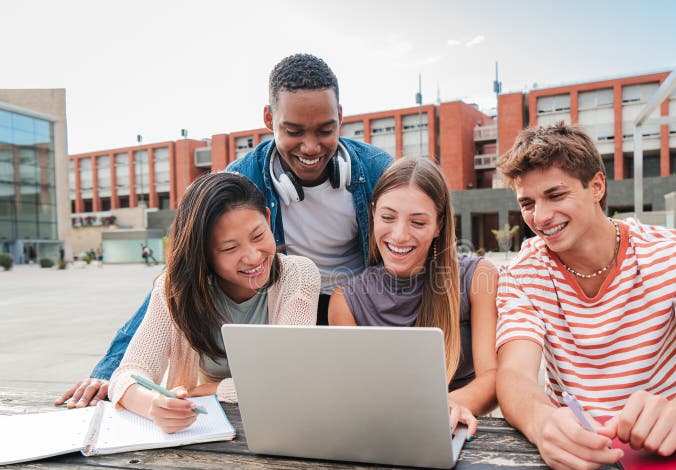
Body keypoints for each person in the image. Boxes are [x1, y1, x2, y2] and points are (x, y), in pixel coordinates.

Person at [56, 53, 393, 408]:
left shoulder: (376, 171)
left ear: (340, 117)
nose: (311, 147)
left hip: (348, 308)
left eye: (325, 130)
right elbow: (178, 278)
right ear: (269, 119)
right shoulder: (241, 179)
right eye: (293, 132)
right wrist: (111, 370)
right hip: (283, 300)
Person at [494, 122, 676, 470]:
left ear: (596, 186)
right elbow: (514, 375)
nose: (541, 217)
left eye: (555, 195)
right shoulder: (521, 274)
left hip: (667, 450)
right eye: (527, 203)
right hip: (572, 452)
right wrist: (542, 423)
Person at [108, 171, 320, 432]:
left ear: (267, 218)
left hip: (278, 425)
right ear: (203, 253)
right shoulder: (174, 290)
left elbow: (290, 378)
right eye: (230, 248)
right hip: (205, 426)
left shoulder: (298, 274)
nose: (254, 257)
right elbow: (126, 374)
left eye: (258, 236)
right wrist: (154, 405)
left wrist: (210, 389)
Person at [328, 158, 499, 438]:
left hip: (459, 432)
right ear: (372, 214)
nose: (399, 235)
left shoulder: (478, 278)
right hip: (381, 434)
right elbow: (354, 390)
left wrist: (452, 404)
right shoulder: (346, 300)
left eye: (418, 222)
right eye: (387, 217)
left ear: (439, 225)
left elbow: (493, 378)